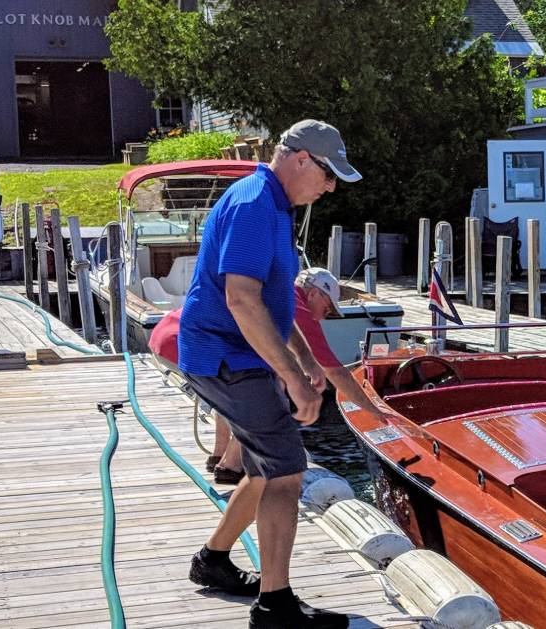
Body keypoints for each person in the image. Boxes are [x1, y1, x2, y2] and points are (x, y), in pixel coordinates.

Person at [178, 119, 360, 629]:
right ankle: (275, 608)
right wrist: (295, 377)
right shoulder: (256, 205)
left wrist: (301, 360)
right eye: (328, 176)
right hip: (226, 359)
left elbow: (276, 305)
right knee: (286, 470)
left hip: (233, 356)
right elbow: (240, 298)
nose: (329, 188)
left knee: (263, 468)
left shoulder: (276, 207)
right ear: (302, 159)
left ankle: (212, 561)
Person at [148, 267, 387, 485]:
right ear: (314, 294)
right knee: (266, 398)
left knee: (245, 386)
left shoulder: (278, 292)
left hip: (167, 338)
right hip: (190, 348)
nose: (323, 317)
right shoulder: (298, 306)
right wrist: (375, 411)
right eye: (327, 309)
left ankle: (220, 455)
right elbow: (335, 371)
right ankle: (230, 467)